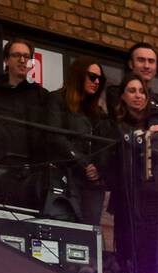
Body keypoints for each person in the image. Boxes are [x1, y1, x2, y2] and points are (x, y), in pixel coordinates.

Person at [105, 74, 158, 273]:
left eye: (141, 92)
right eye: (132, 91)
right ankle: (127, 272)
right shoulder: (114, 125)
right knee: (126, 238)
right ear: (122, 97)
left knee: (152, 241)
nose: (138, 96)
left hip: (152, 195)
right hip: (125, 195)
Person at [0, 38, 49, 208]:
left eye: (26, 56)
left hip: (31, 178)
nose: (22, 60)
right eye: (17, 55)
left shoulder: (40, 95)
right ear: (6, 60)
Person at [45, 56, 110, 225]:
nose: (97, 82)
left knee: (89, 233)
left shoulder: (98, 113)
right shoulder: (57, 99)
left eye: (100, 79)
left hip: (91, 183)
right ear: (79, 75)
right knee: (64, 228)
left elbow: (106, 145)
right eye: (92, 76)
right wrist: (84, 163)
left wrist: (98, 169)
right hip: (65, 176)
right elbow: (54, 136)